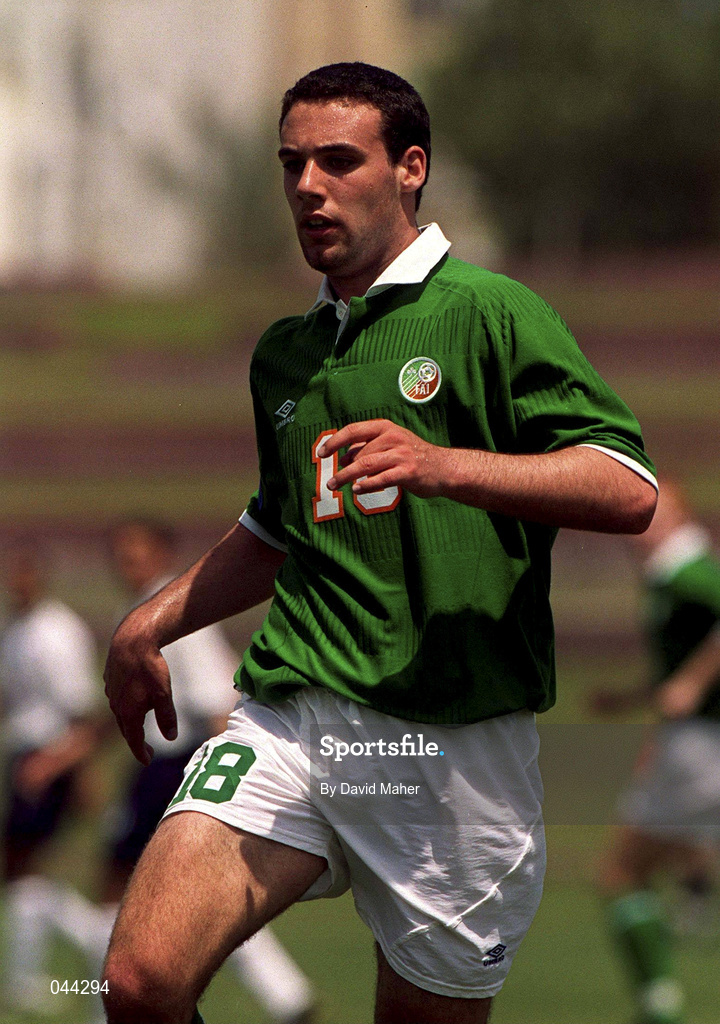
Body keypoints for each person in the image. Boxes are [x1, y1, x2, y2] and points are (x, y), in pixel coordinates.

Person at [102, 62, 658, 1024]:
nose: (308, 186)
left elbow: (627, 487)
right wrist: (151, 622)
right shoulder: (288, 349)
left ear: (409, 168)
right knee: (138, 983)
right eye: (291, 164)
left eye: (336, 160)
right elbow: (277, 527)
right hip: (294, 720)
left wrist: (447, 466)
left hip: (452, 760)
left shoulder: (490, 311)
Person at [101, 517, 317, 1024]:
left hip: (176, 762)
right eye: (120, 552)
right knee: (180, 902)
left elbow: (218, 694)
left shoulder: (166, 613)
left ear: (161, 554)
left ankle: (111, 1003)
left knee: (133, 893)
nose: (125, 561)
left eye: (135, 549)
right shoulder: (146, 609)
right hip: (160, 764)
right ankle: (286, 996)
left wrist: (230, 780)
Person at [593, 479, 720, 1024]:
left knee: (621, 873)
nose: (641, 523)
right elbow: (675, 682)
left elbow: (689, 682)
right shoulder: (669, 578)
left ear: (682, 516)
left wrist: (690, 683)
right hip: (690, 746)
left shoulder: (691, 569)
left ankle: (658, 1004)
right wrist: (632, 700)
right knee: (641, 868)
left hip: (703, 748)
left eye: (654, 510)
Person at [0, 538, 104, 1015]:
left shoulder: (58, 631)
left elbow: (81, 713)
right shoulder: (15, 631)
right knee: (23, 871)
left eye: (23, 574)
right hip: (25, 757)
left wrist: (66, 766)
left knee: (21, 867)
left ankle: (91, 941)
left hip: (48, 758)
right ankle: (39, 969)